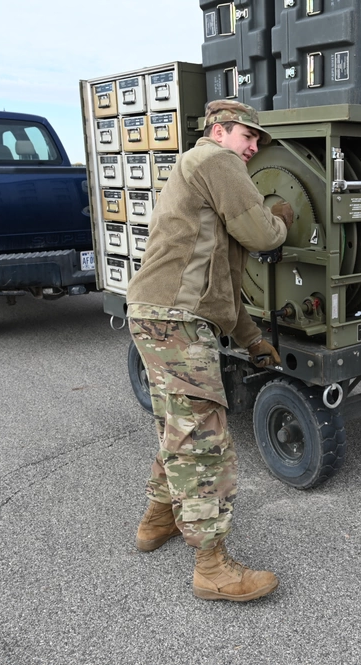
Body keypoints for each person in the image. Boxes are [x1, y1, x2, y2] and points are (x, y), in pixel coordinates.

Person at [126, 99, 294, 601]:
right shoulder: (214, 160)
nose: (254, 145)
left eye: (257, 139)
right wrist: (280, 218)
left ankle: (158, 520)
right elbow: (263, 233)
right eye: (248, 134)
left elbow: (220, 288)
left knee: (181, 427)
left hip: (162, 315)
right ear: (219, 131)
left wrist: (252, 341)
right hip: (175, 321)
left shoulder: (198, 176)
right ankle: (212, 566)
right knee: (204, 440)